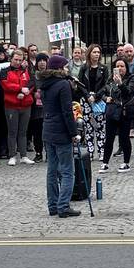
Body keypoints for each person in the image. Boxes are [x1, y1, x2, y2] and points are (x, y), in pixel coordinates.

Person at [41, 55, 80, 219]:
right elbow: (67, 111)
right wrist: (74, 133)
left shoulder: (45, 84)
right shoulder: (63, 84)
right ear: (58, 69)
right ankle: (63, 205)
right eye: (65, 67)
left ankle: (53, 205)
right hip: (61, 131)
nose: (67, 69)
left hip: (48, 128)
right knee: (67, 171)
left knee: (52, 169)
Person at [1, 50, 36, 166]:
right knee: (12, 131)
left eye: (20, 60)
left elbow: (31, 83)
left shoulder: (26, 71)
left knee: (23, 132)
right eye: (16, 59)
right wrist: (20, 89)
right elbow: (6, 85)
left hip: (25, 105)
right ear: (11, 59)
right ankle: (12, 155)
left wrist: (26, 92)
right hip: (11, 105)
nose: (18, 62)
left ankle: (24, 155)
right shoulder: (5, 71)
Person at [102, 58, 134, 172]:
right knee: (109, 138)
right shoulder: (110, 79)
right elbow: (103, 92)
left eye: (122, 66)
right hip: (112, 111)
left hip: (124, 111)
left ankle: (126, 162)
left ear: (126, 68)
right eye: (118, 66)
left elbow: (129, 92)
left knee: (124, 137)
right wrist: (106, 98)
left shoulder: (131, 78)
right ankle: (105, 162)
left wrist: (120, 83)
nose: (120, 68)